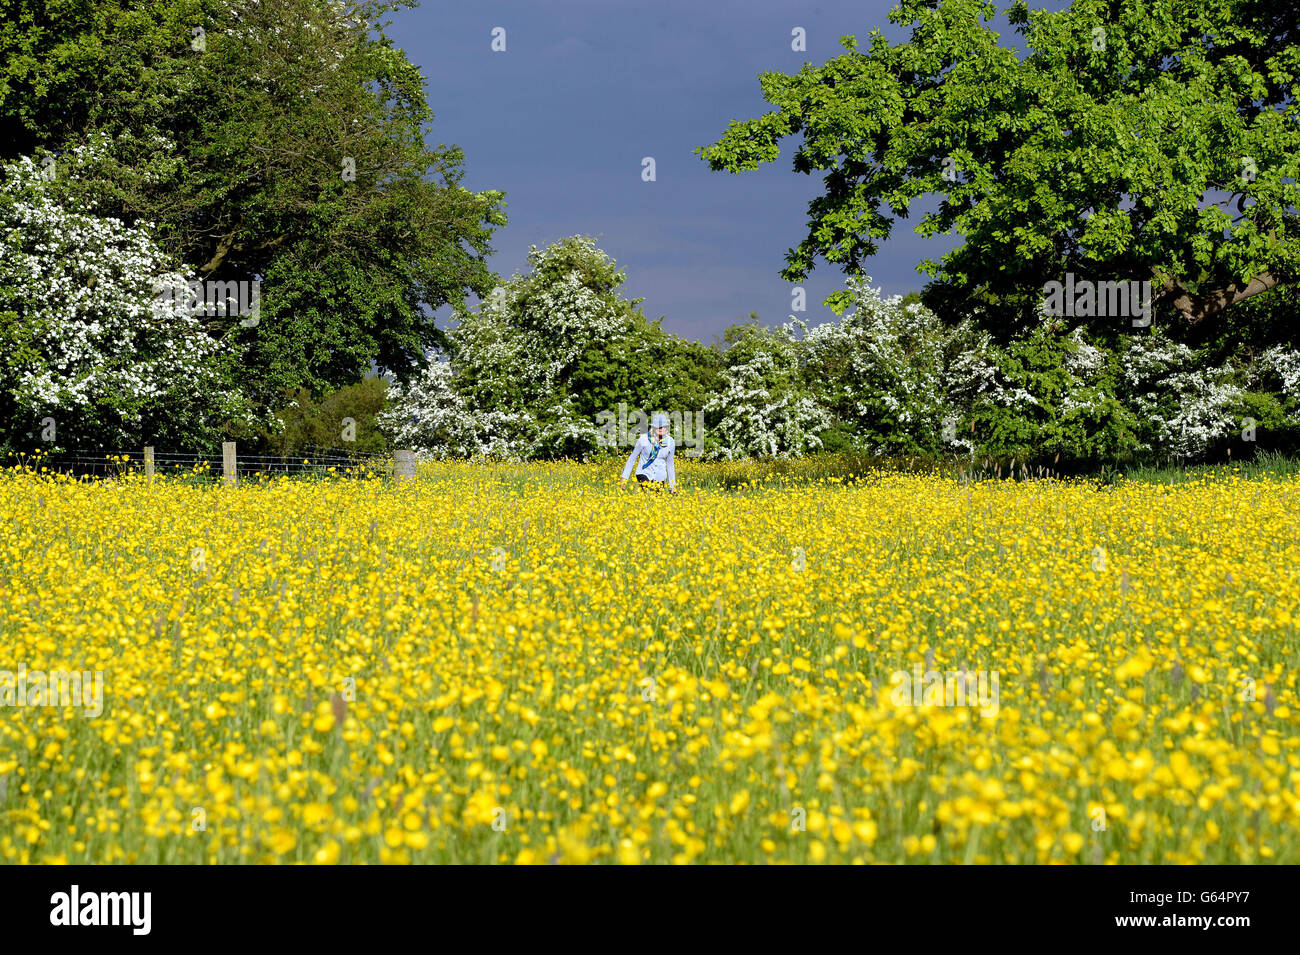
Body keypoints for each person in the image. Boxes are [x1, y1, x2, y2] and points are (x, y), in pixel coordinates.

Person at [620, 412, 678, 494]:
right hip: (644, 473)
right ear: (653, 427)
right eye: (658, 426)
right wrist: (624, 478)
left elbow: (670, 464)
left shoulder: (670, 442)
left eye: (663, 426)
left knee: (656, 503)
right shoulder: (644, 439)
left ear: (667, 428)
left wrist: (673, 486)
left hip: (660, 477)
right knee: (648, 495)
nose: (661, 428)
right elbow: (632, 458)